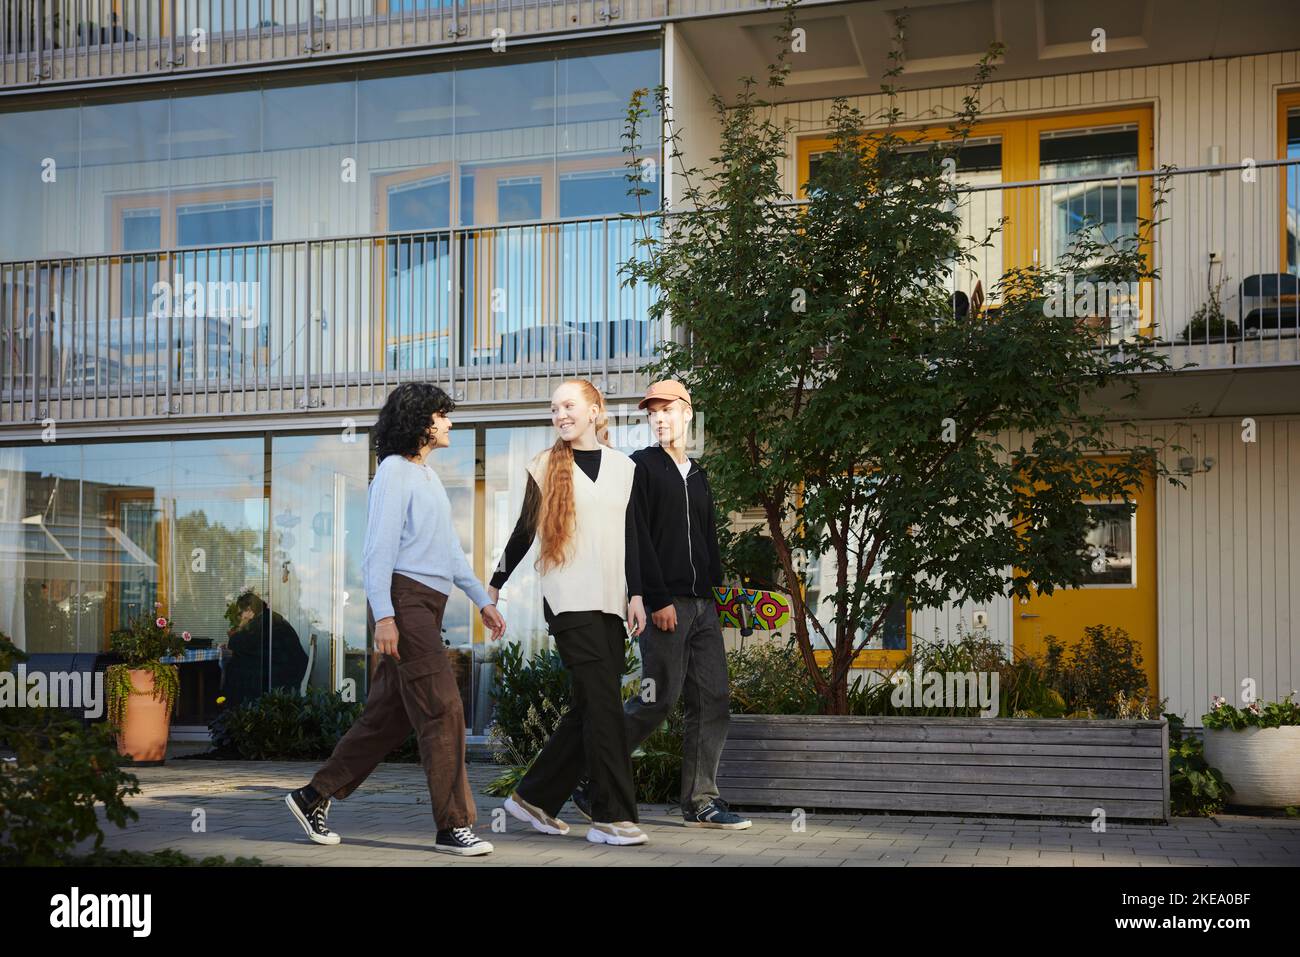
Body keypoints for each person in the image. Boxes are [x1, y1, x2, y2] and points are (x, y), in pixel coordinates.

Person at [284, 382, 506, 857]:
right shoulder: (392, 473)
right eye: (443, 415)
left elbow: (449, 552)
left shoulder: (425, 477)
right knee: (444, 709)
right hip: (404, 604)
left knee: (387, 719)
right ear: (422, 421)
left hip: (427, 602)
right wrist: (385, 616)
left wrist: (481, 600)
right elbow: (376, 552)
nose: (450, 423)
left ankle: (312, 796)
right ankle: (453, 825)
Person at [572, 380, 751, 829]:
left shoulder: (699, 474)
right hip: (664, 605)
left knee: (713, 702)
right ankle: (593, 779)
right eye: (652, 412)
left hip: (703, 606)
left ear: (687, 413)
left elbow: (708, 542)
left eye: (666, 409)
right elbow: (637, 538)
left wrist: (718, 592)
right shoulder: (642, 468)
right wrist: (654, 598)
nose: (658, 418)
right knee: (657, 701)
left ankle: (701, 800)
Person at [490, 379, 649, 846]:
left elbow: (633, 538)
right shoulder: (543, 466)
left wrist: (637, 595)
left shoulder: (625, 468)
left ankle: (532, 798)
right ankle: (610, 816)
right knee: (604, 707)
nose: (560, 413)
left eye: (569, 405)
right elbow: (523, 533)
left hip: (611, 603)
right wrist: (494, 585)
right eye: (554, 407)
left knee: (589, 707)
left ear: (595, 410)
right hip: (567, 602)